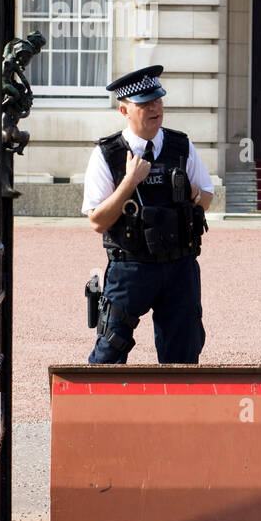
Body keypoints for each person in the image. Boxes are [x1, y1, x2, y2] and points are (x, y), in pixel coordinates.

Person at [81, 65, 214, 364]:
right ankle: (99, 410)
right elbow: (97, 221)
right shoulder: (108, 153)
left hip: (179, 266)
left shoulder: (181, 145)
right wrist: (129, 181)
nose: (154, 108)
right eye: (144, 104)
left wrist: (191, 191)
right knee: (109, 351)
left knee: (183, 355)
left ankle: (176, 411)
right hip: (131, 268)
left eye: (158, 100)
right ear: (125, 110)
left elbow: (207, 198)